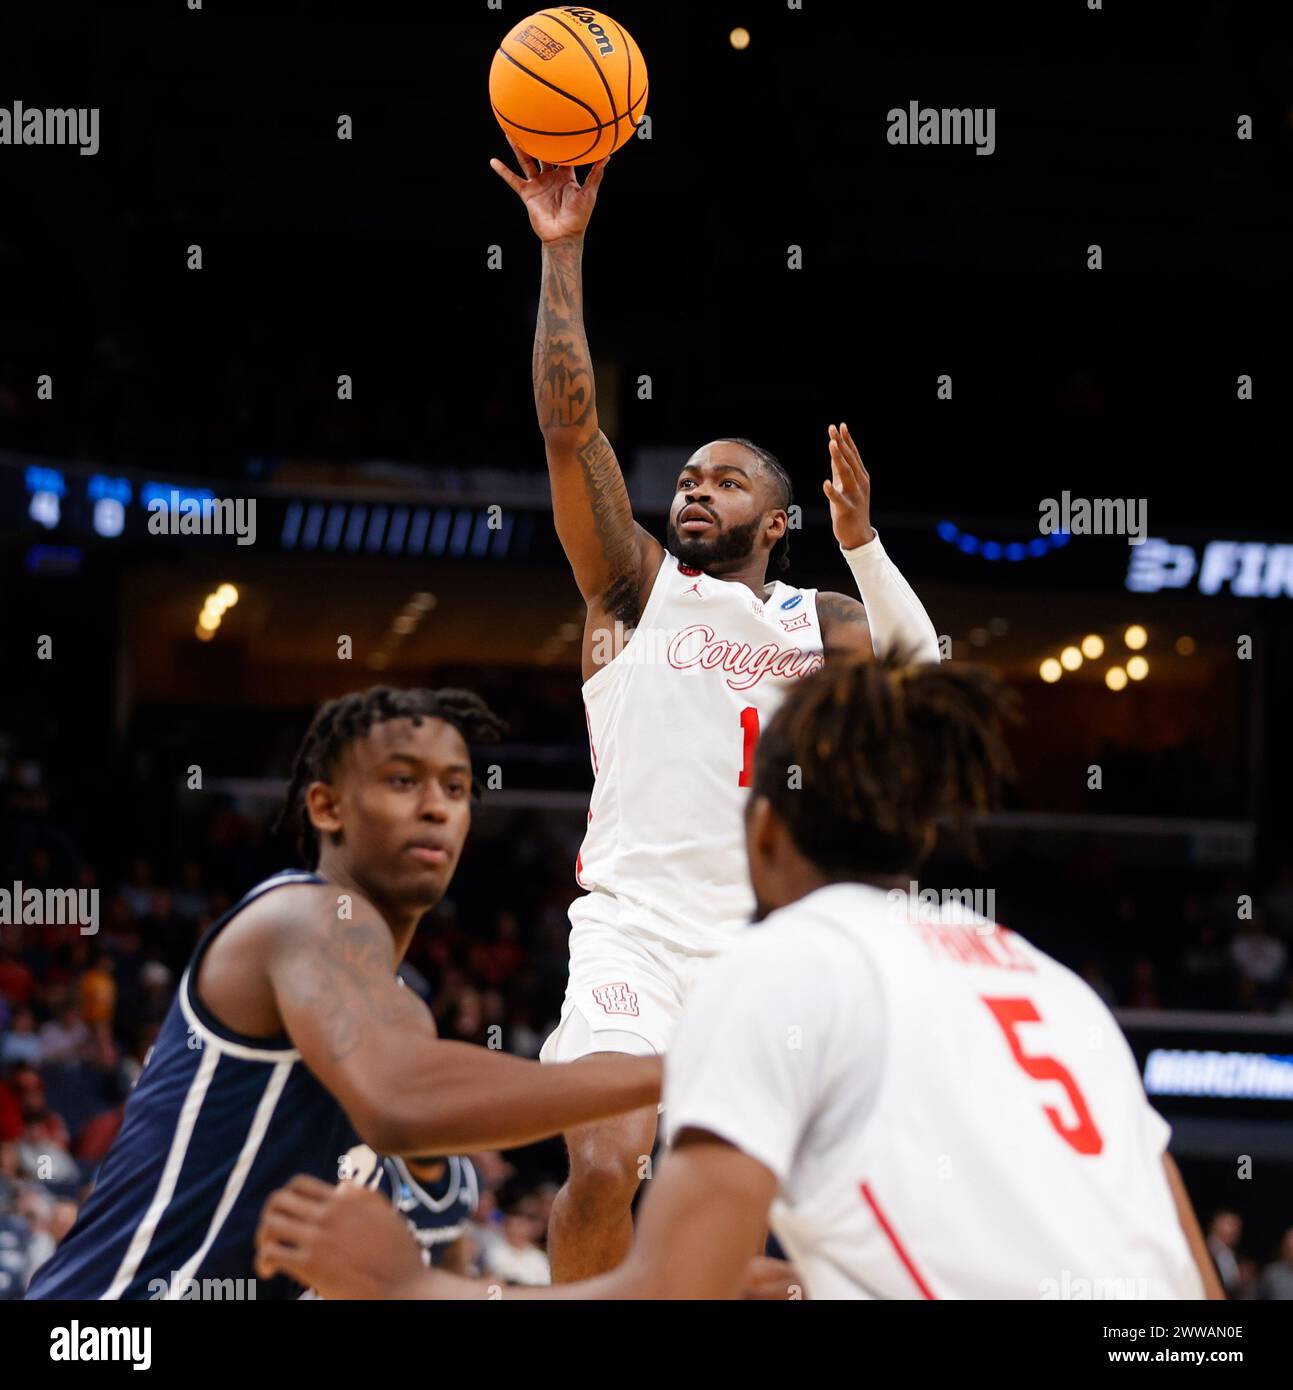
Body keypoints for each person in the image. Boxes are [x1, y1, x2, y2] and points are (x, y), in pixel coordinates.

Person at [256, 657, 1220, 1301]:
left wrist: (414, 1287)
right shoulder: (1057, 988)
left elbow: (660, 1290)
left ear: (759, 834)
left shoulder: (789, 964)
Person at [489, 139, 941, 1280]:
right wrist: (563, 252)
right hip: (635, 928)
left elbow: (920, 671)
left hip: (770, 945)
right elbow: (568, 428)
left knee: (807, 1226)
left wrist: (866, 545)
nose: (696, 486)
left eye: (727, 478)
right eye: (689, 474)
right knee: (604, 1162)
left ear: (777, 520)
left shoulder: (823, 621)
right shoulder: (633, 589)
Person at [26, 687, 660, 1300]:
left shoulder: (396, 1015)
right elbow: (401, 1099)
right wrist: (674, 1069)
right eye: (403, 781)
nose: (437, 805)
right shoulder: (305, 918)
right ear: (327, 807)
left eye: (456, 787)